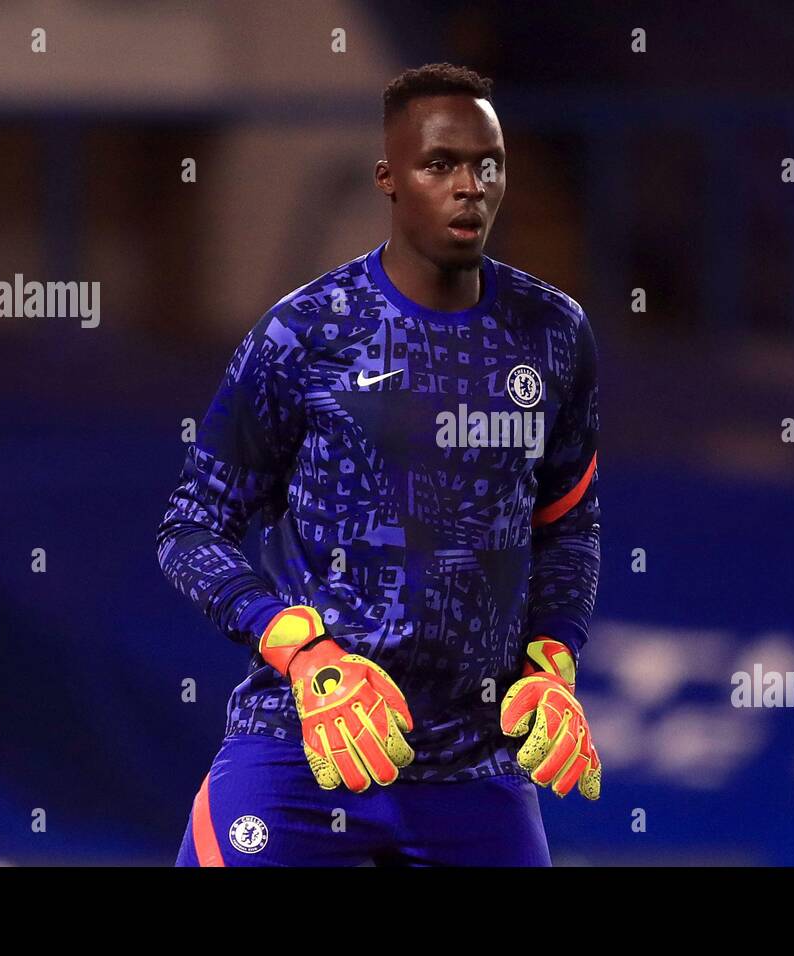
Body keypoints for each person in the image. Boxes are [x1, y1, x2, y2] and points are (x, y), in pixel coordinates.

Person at [158, 62, 601, 866]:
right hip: (301, 752)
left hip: (476, 770)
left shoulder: (555, 334)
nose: (469, 186)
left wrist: (554, 657)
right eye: (440, 165)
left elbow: (569, 529)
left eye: (487, 165)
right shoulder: (305, 335)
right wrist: (302, 651)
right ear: (388, 179)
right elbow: (191, 530)